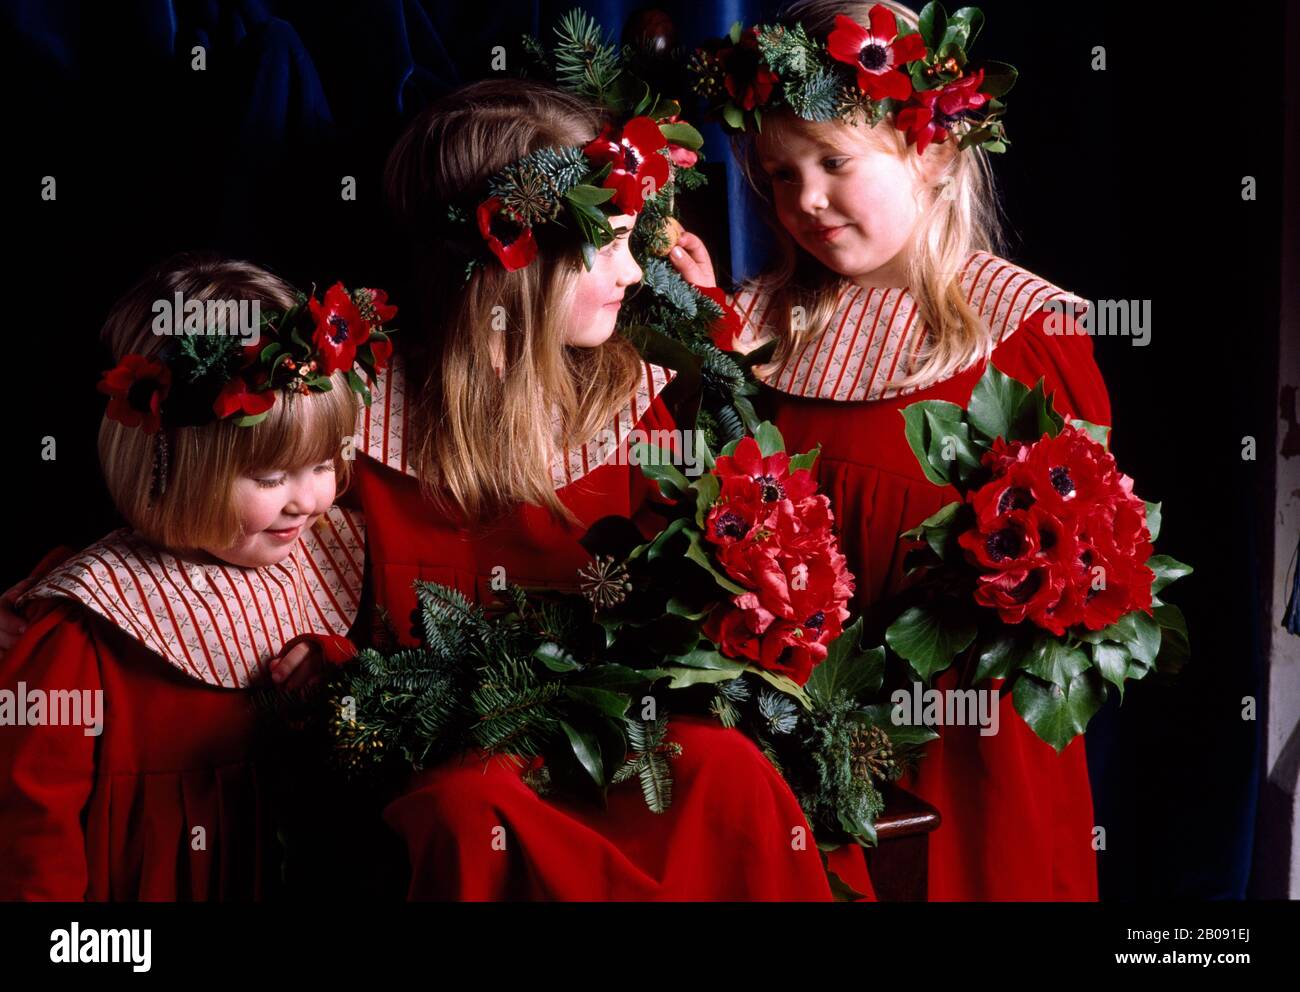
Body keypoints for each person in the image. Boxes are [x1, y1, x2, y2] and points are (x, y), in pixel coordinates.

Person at [359, 78, 869, 900]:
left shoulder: (631, 394)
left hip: (611, 725)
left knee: (725, 768)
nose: (637, 272)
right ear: (514, 261)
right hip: (446, 742)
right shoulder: (366, 428)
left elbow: (679, 571)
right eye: (613, 242)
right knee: (469, 809)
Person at [668, 0, 1108, 900]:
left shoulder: (1025, 334)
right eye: (781, 176)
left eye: (834, 162)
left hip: (965, 739)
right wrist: (696, 328)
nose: (805, 201)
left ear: (932, 153)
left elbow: (1082, 562)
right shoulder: (762, 326)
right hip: (802, 731)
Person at [0, 255, 370, 899]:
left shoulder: (323, 560)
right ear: (173, 471)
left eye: (322, 464)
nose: (308, 499)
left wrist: (334, 663)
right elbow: (31, 819)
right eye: (269, 478)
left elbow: (379, 708)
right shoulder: (84, 626)